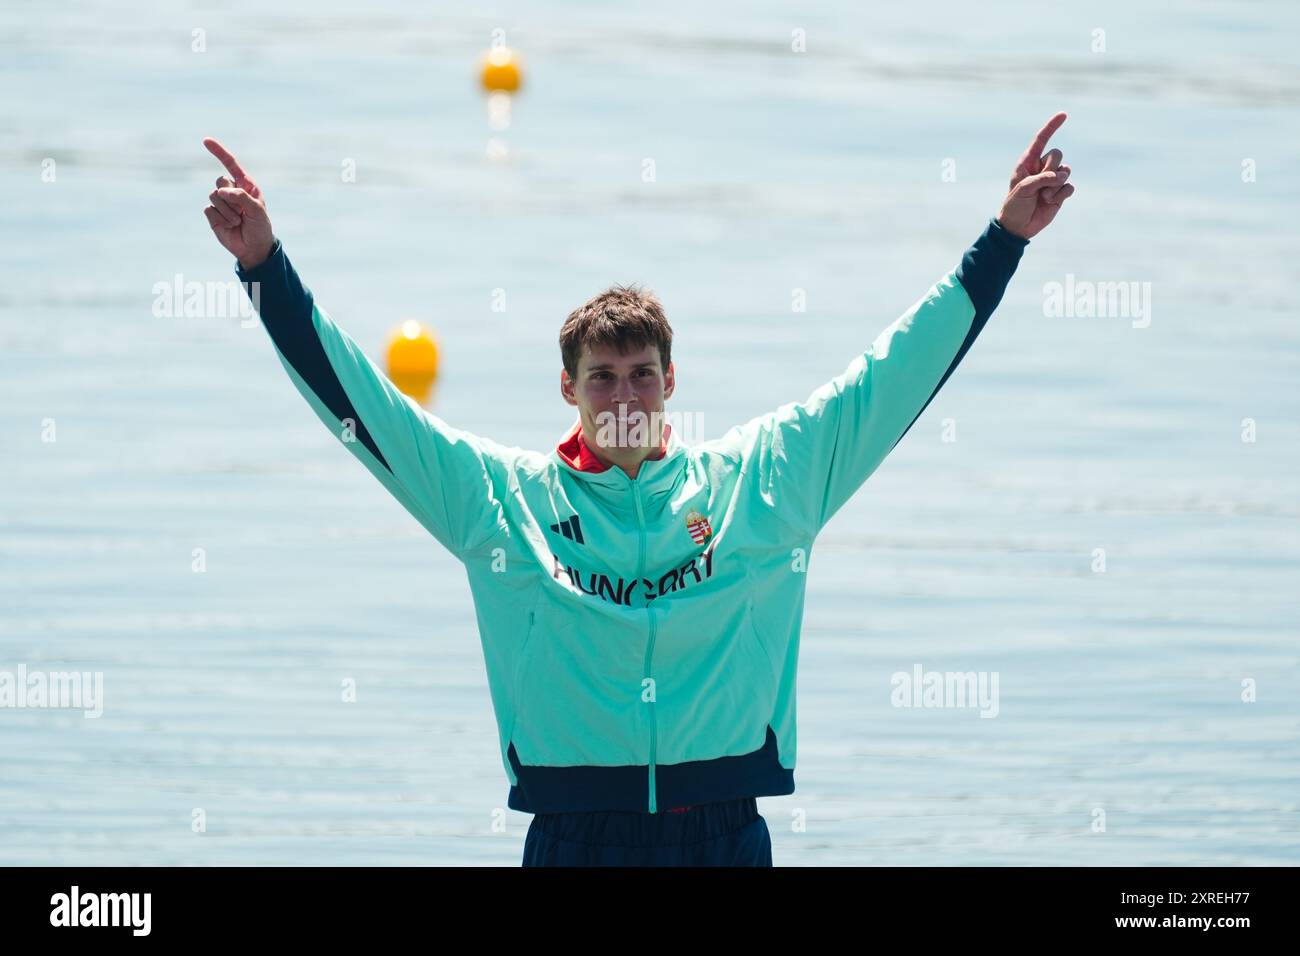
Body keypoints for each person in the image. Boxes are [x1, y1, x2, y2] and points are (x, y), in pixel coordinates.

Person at [202, 113, 1074, 866]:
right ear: (569, 389)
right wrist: (266, 269)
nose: (624, 395)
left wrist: (1002, 243)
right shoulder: (499, 500)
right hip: (577, 836)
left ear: (669, 384)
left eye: (641, 376)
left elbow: (894, 377)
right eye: (603, 377)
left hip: (724, 832)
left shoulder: (764, 479)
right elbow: (368, 410)